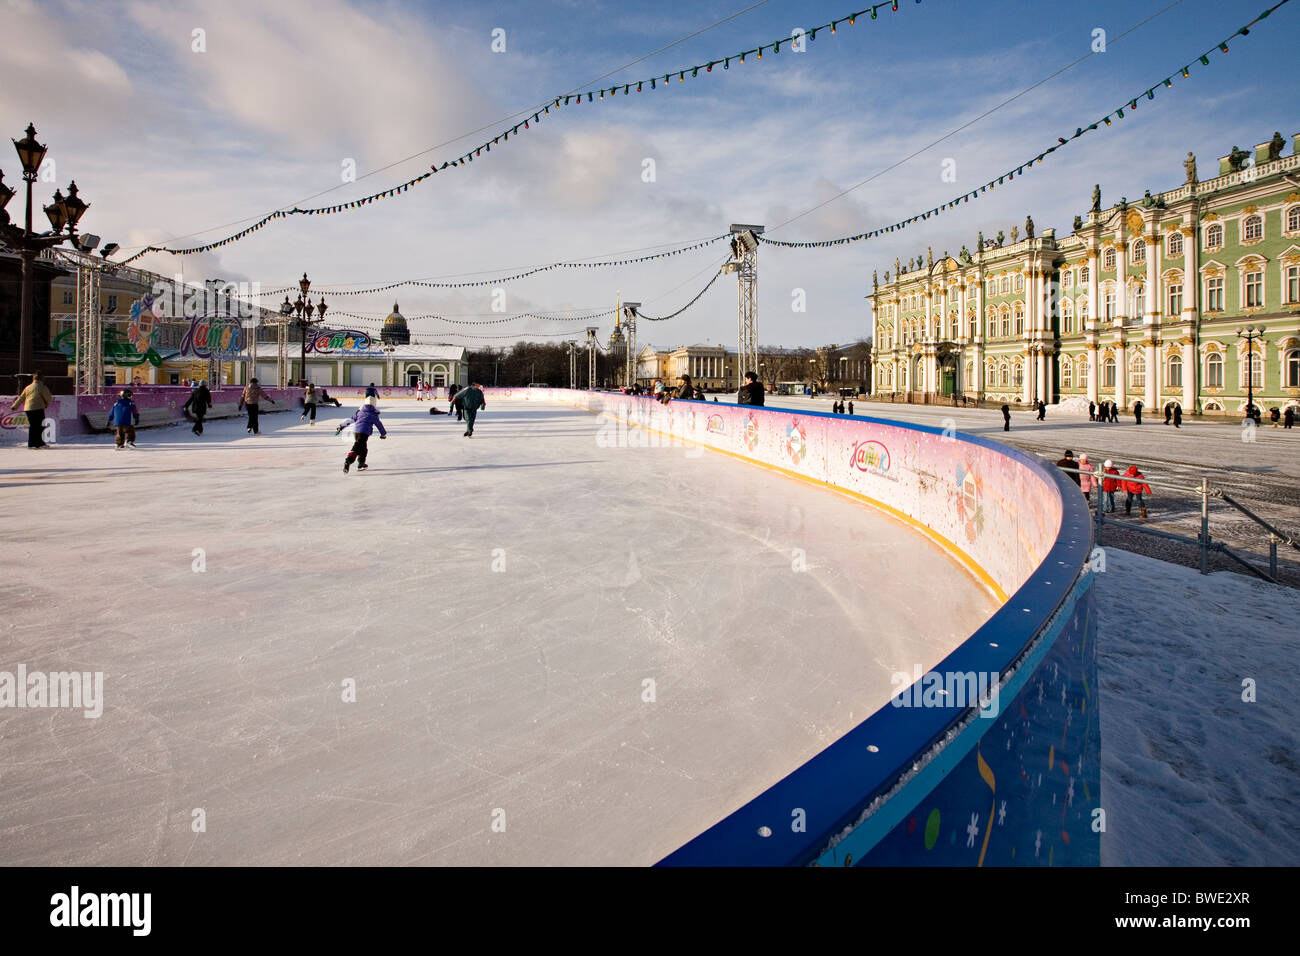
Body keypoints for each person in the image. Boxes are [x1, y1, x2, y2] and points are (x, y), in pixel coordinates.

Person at [336, 396, 386, 472]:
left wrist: (341, 426)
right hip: (364, 433)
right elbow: (379, 425)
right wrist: (383, 434)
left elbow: (350, 420)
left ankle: (361, 463)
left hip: (356, 432)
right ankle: (349, 460)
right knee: (357, 447)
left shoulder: (360, 412)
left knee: (363, 448)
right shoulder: (373, 414)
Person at [9, 370, 53, 449]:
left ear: (33, 379)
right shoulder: (42, 387)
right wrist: (46, 404)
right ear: (42, 378)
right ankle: (39, 443)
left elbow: (21, 398)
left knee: (33, 426)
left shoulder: (28, 387)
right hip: (38, 408)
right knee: (39, 426)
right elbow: (48, 398)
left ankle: (31, 443)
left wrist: (14, 406)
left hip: (28, 409)